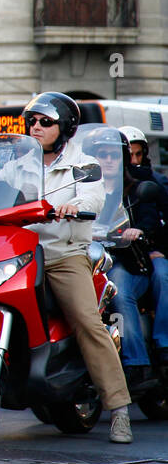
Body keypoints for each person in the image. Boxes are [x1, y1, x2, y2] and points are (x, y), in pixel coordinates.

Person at [19, 92, 133, 443]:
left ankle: (119, 410)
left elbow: (93, 197)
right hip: (19, 255)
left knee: (87, 322)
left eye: (45, 122)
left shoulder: (84, 164)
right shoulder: (18, 161)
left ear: (65, 127)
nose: (36, 127)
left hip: (61, 254)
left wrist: (76, 205)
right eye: (32, 121)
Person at [108, 127, 168, 388]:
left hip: (142, 252)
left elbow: (153, 217)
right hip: (104, 254)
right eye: (103, 154)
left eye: (137, 154)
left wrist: (147, 236)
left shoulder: (147, 184)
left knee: (162, 276)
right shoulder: (90, 183)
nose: (132, 159)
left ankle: (152, 351)